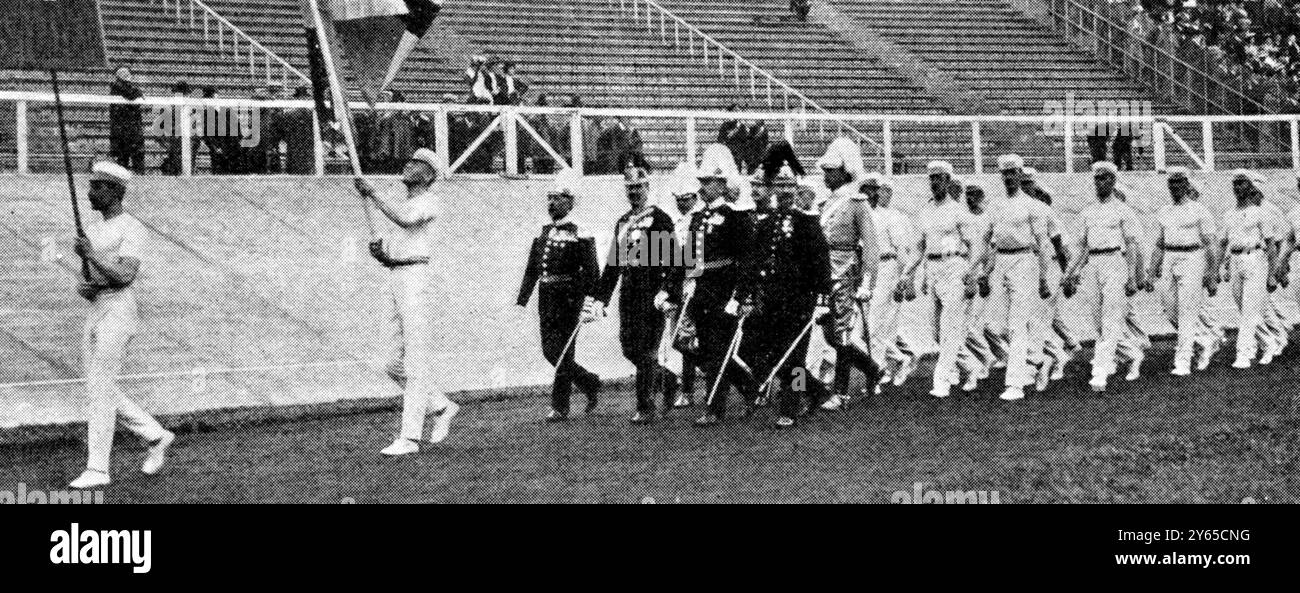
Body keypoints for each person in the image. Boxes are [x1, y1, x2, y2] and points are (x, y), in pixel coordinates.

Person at [68, 162, 175, 489]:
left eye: (97, 187)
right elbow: (99, 279)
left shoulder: (132, 228)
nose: (90, 192)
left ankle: (98, 469)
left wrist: (91, 256)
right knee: (98, 385)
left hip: (119, 311)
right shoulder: (95, 228)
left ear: (115, 191)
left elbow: (126, 276)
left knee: (100, 387)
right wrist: (86, 285)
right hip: (98, 308)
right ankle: (155, 435)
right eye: (90, 186)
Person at [355, 148, 459, 455]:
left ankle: (410, 438)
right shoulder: (405, 203)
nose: (408, 166)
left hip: (417, 279)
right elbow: (395, 244)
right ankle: (439, 406)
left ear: (427, 175)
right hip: (396, 276)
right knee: (391, 362)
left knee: (416, 360)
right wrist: (381, 254)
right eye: (410, 161)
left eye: (416, 164)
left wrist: (372, 193)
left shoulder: (429, 201)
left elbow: (404, 220)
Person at [735, 163, 830, 427]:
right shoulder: (767, 223)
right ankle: (814, 390)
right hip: (772, 298)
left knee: (795, 356)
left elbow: (821, 262)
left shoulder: (807, 222)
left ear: (796, 189)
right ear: (774, 189)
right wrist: (744, 296)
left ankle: (791, 405)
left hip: (801, 299)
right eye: (780, 186)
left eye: (789, 187)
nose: (785, 192)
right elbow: (753, 261)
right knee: (756, 348)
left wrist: (823, 299)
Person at [675, 145, 757, 426]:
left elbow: (746, 259)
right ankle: (749, 386)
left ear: (722, 184)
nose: (703, 186)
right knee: (709, 349)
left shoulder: (736, 216)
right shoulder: (698, 217)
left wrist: (740, 295)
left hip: (724, 288)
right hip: (701, 289)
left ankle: (714, 406)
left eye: (708, 181)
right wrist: (687, 283)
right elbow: (691, 256)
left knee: (718, 348)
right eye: (702, 181)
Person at [590, 164, 677, 424]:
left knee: (647, 349)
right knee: (629, 348)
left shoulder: (659, 218)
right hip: (629, 293)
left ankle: (645, 406)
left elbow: (671, 260)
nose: (634, 192)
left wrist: (666, 291)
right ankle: (667, 379)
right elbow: (613, 265)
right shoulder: (623, 222)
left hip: (651, 291)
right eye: (630, 188)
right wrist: (600, 299)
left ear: (647, 188)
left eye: (639, 187)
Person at [517, 169, 602, 421]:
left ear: (570, 202)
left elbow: (592, 271)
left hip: (569, 299)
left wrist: (589, 301)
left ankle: (560, 406)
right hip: (546, 297)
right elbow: (533, 267)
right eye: (549, 198)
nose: (551, 203)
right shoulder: (543, 231)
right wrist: (523, 298)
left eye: (557, 198)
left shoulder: (580, 232)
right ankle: (588, 381)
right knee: (550, 350)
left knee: (563, 352)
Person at [1063, 161, 1147, 393]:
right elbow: (1081, 248)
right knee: (1099, 323)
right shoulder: (1087, 212)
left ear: (1113, 181)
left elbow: (1131, 245)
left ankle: (1099, 373)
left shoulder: (1123, 211)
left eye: (1104, 178)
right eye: (1097, 179)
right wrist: (1069, 272)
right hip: (1093, 265)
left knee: (1111, 320)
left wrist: (1131, 277)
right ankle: (1132, 354)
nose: (1100, 182)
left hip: (1115, 264)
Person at [975, 155, 1054, 401]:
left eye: (1013, 173)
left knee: (1017, 324)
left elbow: (1042, 244)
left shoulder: (1034, 207)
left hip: (1024, 262)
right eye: (1005, 173)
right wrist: (978, 270)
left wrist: (1043, 277)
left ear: (1020, 175)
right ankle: (1038, 361)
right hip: (1000, 263)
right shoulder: (995, 206)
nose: (1008, 177)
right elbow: (985, 242)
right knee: (993, 326)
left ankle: (1015, 384)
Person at [902, 162, 979, 397]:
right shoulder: (925, 213)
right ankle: (970, 366)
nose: (935, 182)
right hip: (933, 268)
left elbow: (975, 245)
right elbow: (917, 249)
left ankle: (941, 381)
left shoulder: (958, 211)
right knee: (937, 332)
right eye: (932, 178)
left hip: (955, 266)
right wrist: (907, 273)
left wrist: (972, 273)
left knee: (949, 327)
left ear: (947, 181)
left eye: (939, 178)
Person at [815, 138, 880, 411]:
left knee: (841, 333)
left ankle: (840, 392)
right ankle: (872, 368)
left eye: (831, 171)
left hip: (847, 272)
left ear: (845, 172)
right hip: (825, 273)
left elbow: (871, 247)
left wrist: (867, 282)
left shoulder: (857, 203)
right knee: (830, 334)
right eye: (826, 170)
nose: (826, 175)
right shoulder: (825, 203)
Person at [1148, 167, 1219, 376]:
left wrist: (1212, 272)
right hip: (1170, 257)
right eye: (1172, 183)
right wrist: (1152, 272)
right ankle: (1204, 339)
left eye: (1179, 182)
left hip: (1193, 258)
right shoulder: (1165, 211)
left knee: (1187, 310)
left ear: (1187, 185)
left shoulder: (1199, 210)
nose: (1175, 186)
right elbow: (1159, 244)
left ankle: (1183, 360)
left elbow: (1210, 244)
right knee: (1169, 307)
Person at [862, 173, 917, 393]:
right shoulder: (863, 215)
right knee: (866, 328)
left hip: (887, 268)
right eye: (866, 190)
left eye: (874, 190)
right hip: (868, 271)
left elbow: (902, 251)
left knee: (876, 327)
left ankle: (876, 375)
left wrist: (904, 279)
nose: (870, 194)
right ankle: (900, 357)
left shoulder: (892, 217)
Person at [660, 161, 705, 409]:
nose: (681, 203)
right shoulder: (676, 222)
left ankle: (687, 389)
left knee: (684, 339)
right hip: (677, 283)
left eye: (686, 199)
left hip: (693, 284)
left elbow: (695, 256)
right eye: (678, 199)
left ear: (694, 197)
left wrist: (692, 280)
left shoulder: (699, 220)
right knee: (679, 340)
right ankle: (709, 371)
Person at [1219, 169, 1272, 369]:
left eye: (1242, 183)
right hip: (1235, 260)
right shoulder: (1229, 214)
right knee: (1245, 309)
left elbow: (1270, 244)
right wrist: (1217, 268)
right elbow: (1224, 242)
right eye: (1235, 184)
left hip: (1255, 258)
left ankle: (1244, 354)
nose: (1238, 188)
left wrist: (1273, 272)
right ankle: (1268, 341)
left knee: (1250, 309)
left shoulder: (1260, 213)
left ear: (1251, 187)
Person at [108, 68, 146, 172]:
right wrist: (138, 92)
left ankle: (139, 177)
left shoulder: (128, 86)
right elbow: (131, 94)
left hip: (132, 127)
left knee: (137, 156)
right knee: (122, 158)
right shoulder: (117, 86)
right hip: (122, 128)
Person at [159, 81, 191, 176]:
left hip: (187, 144)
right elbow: (159, 130)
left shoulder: (191, 108)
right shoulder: (168, 109)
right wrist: (167, 144)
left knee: (188, 171)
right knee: (174, 170)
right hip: (174, 144)